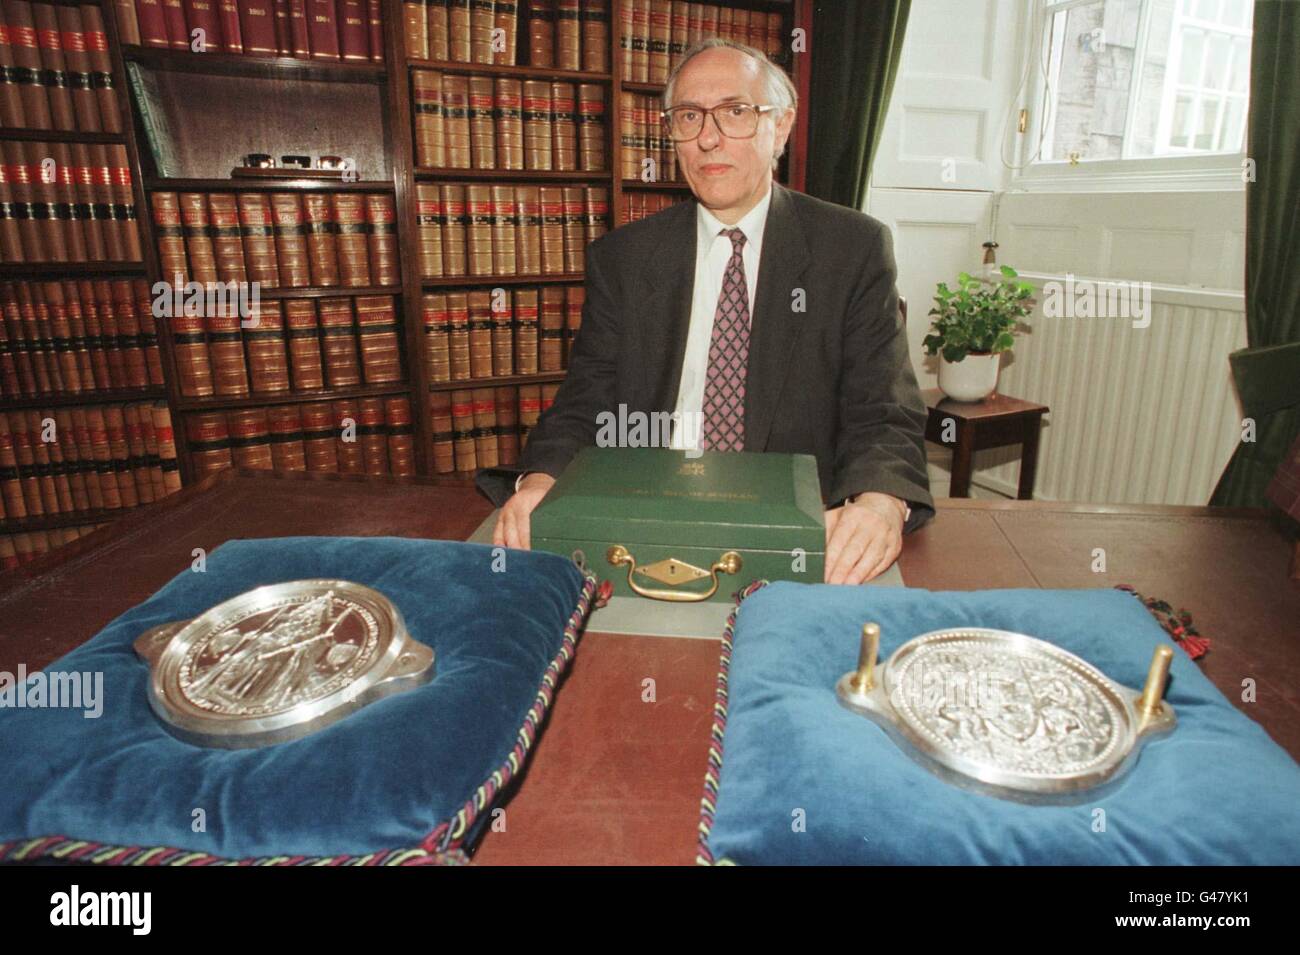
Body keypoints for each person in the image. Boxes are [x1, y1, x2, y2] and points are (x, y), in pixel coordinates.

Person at [477, 38, 933, 585]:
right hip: (645, 520)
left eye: (736, 112)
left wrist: (880, 503)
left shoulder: (852, 248)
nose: (709, 138)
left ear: (781, 127)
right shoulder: (624, 257)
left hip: (799, 537)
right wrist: (539, 484)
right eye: (689, 116)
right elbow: (585, 402)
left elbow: (883, 408)